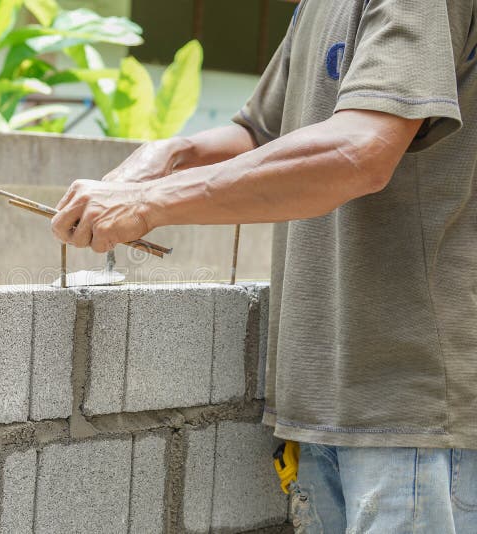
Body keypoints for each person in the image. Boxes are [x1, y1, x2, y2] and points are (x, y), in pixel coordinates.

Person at [51, 0, 477, 532]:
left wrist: (149, 203)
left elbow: (361, 150)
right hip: (325, 402)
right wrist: (171, 154)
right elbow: (263, 137)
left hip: (410, 413)